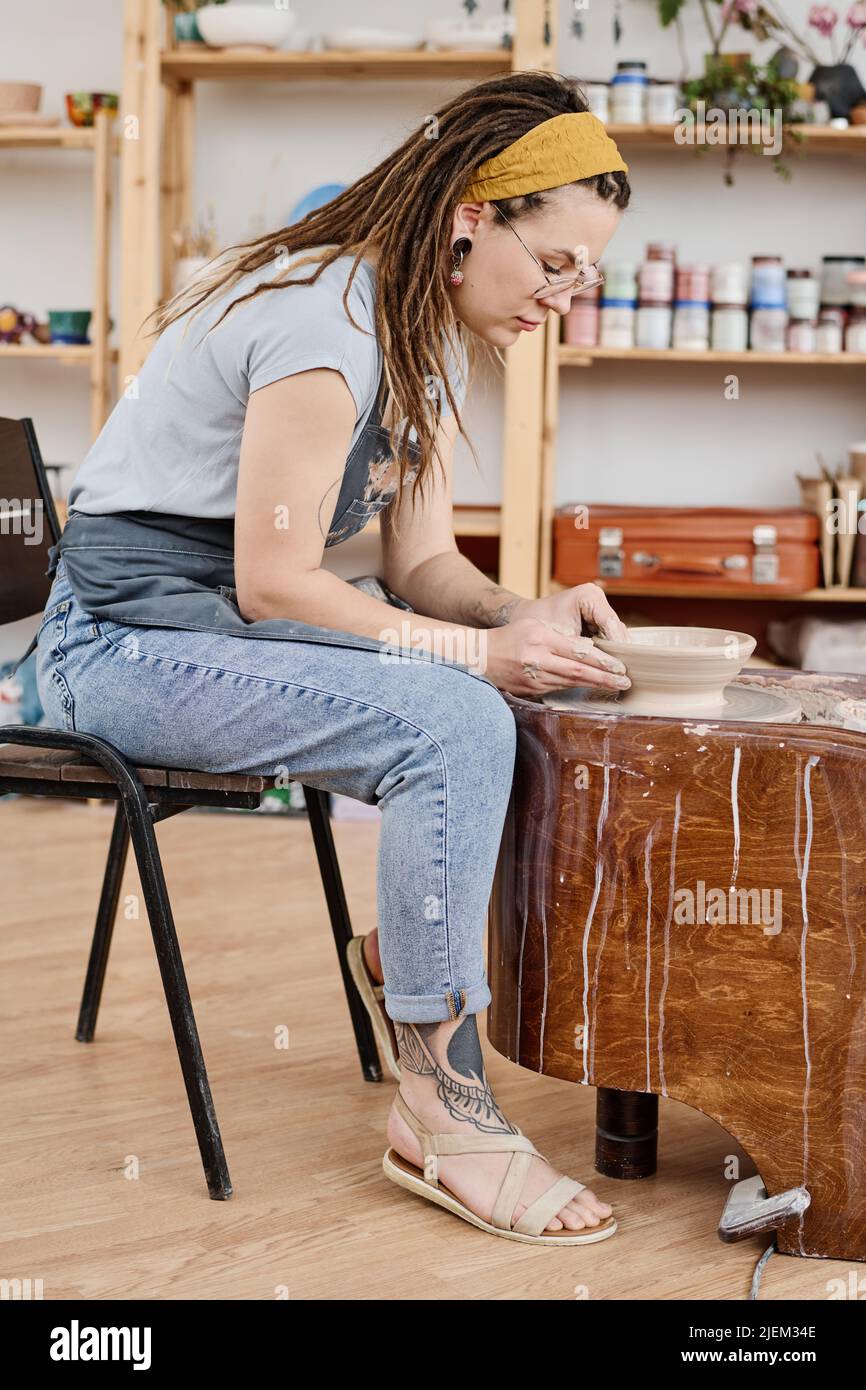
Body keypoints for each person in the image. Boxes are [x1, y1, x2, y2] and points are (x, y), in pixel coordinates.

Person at [34, 70, 634, 1245]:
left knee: (504, 692)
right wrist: (477, 660)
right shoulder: (328, 318)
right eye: (556, 262)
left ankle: (404, 956)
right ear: (471, 212)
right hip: (121, 641)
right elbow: (274, 580)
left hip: (219, 626)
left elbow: (419, 566)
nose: (568, 295)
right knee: (456, 718)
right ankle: (441, 1110)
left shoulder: (425, 334)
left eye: (588, 272)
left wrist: (526, 615)